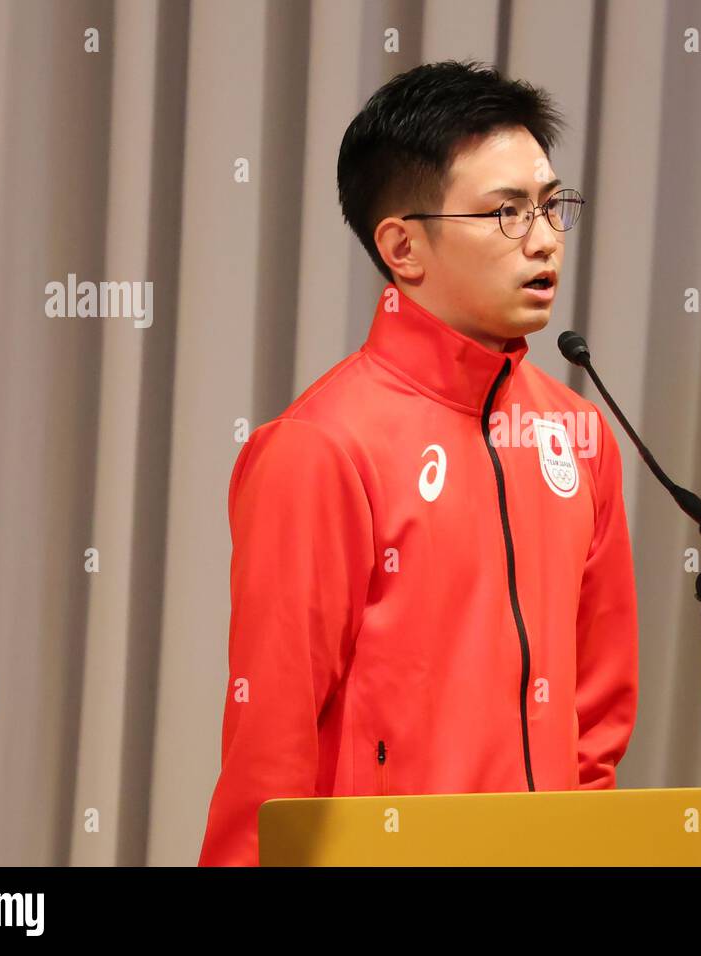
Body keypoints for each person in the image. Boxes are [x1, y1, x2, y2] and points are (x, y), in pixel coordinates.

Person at [198, 60, 639, 867]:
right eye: (505, 213)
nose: (543, 239)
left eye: (550, 206)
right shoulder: (322, 445)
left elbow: (598, 715)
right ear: (403, 246)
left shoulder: (577, 434)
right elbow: (270, 745)